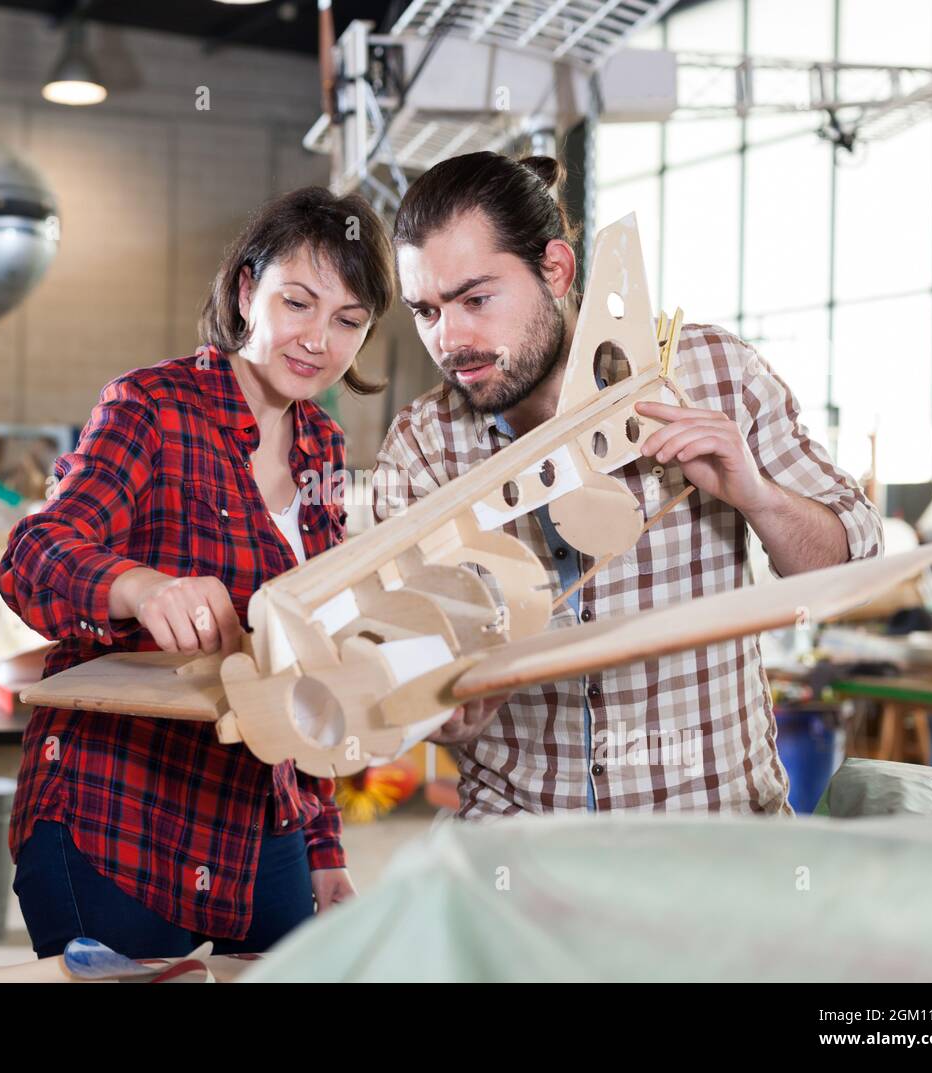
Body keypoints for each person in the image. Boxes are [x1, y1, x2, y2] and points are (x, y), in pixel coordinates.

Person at [373, 151, 883, 817]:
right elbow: (415, 685)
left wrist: (758, 495)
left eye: (475, 299)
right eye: (427, 311)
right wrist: (444, 706)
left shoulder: (713, 374)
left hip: (713, 834)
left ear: (557, 269)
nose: (451, 338)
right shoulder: (422, 447)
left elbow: (851, 568)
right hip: (518, 851)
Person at [0, 186, 395, 957]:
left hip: (256, 820)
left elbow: (305, 660)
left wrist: (323, 846)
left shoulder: (324, 449)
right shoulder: (151, 407)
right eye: (298, 303)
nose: (318, 338)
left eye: (348, 321)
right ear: (248, 292)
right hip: (118, 810)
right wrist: (138, 587)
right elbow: (32, 558)